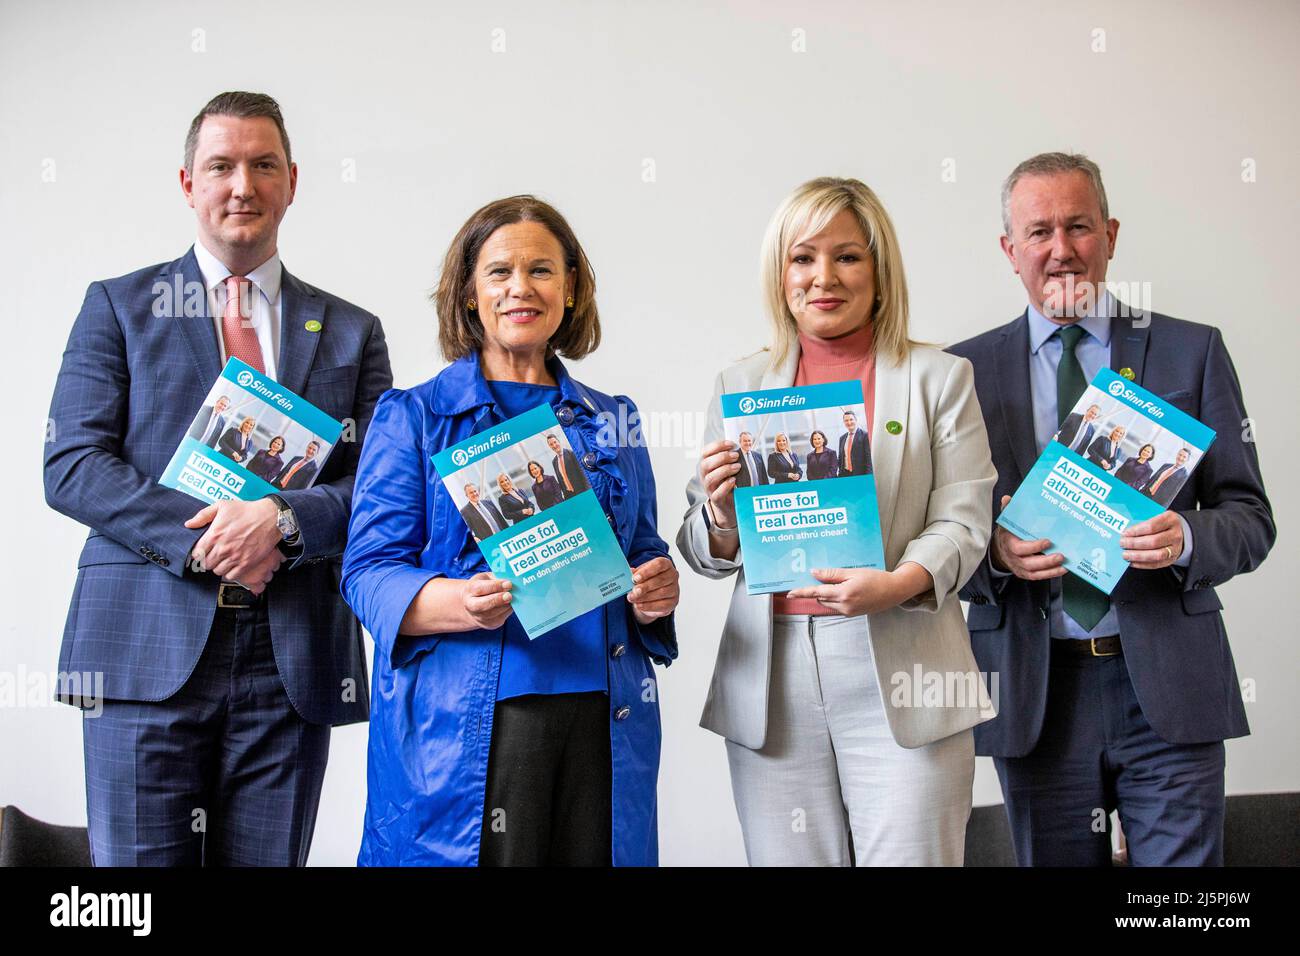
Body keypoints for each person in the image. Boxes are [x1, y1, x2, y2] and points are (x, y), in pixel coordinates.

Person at [42, 91, 393, 866]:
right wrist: (213, 539)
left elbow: (379, 486)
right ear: (187, 183)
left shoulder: (350, 330)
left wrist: (283, 521)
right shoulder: (119, 307)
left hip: (292, 656)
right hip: (144, 649)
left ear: (293, 182)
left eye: (263, 165)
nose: (243, 185)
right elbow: (71, 465)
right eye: (221, 166)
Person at [949, 151, 1274, 866]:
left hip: (1168, 684)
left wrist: (1187, 535)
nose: (1061, 250)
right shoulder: (959, 374)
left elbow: (1251, 518)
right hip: (1037, 693)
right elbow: (935, 542)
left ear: (1112, 233)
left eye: (1079, 227)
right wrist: (995, 557)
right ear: (1010, 250)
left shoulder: (1191, 352)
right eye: (1039, 232)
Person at [342, 195, 680, 866]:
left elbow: (643, 550)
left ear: (572, 287)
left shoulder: (615, 417)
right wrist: (454, 603)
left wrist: (657, 588)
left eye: (542, 270)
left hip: (602, 718)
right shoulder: (412, 416)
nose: (520, 288)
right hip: (470, 724)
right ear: (470, 293)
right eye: (499, 272)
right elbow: (367, 572)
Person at [677, 177, 996, 866]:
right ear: (780, 271)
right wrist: (720, 512)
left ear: (880, 270)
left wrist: (900, 581)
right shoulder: (740, 385)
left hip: (903, 656)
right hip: (772, 671)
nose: (824, 277)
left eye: (848, 256)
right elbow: (705, 551)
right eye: (803, 257)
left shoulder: (940, 378)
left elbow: (966, 522)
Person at [547, 431, 589, 499]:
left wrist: (588, 491)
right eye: (551, 444)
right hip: (569, 495)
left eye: (555, 442)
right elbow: (560, 480)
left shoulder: (571, 453)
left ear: (558, 441)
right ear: (550, 446)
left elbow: (582, 473)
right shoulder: (554, 462)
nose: (554, 445)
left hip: (581, 491)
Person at [837, 409, 871, 476]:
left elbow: (869, 458)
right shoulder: (842, 438)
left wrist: (868, 476)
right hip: (845, 474)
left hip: (860, 474)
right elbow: (841, 458)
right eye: (846, 420)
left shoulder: (865, 435)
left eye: (851, 419)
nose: (849, 422)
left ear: (856, 420)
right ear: (844, 422)